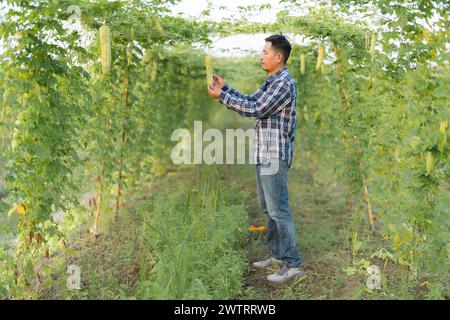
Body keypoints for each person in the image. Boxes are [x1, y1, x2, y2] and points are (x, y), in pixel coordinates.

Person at [207, 34, 303, 284]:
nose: (262, 56)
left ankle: (292, 264)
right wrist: (226, 88)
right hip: (264, 152)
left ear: (278, 56)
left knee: (279, 210)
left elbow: (256, 110)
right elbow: (252, 100)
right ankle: (278, 255)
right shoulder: (272, 81)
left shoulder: (284, 84)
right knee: (268, 208)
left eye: (265, 52)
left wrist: (222, 98)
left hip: (274, 154)